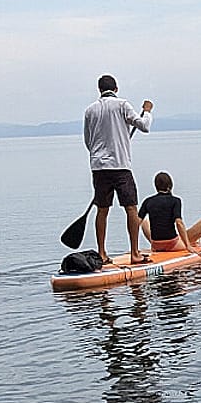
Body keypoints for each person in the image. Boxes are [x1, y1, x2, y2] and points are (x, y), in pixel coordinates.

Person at [84, 74, 153, 265]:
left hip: (99, 167)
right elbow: (144, 126)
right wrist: (146, 111)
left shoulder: (90, 110)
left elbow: (88, 142)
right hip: (121, 166)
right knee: (131, 208)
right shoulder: (123, 105)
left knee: (102, 210)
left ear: (99, 90)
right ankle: (134, 253)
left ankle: (102, 254)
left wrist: (100, 155)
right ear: (116, 88)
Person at [139, 171, 201, 255]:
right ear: (170, 185)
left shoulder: (148, 201)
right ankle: (191, 242)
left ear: (156, 186)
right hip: (172, 245)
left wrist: (134, 249)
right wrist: (188, 246)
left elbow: (136, 223)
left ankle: (155, 246)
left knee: (144, 222)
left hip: (156, 244)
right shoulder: (175, 200)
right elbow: (179, 223)